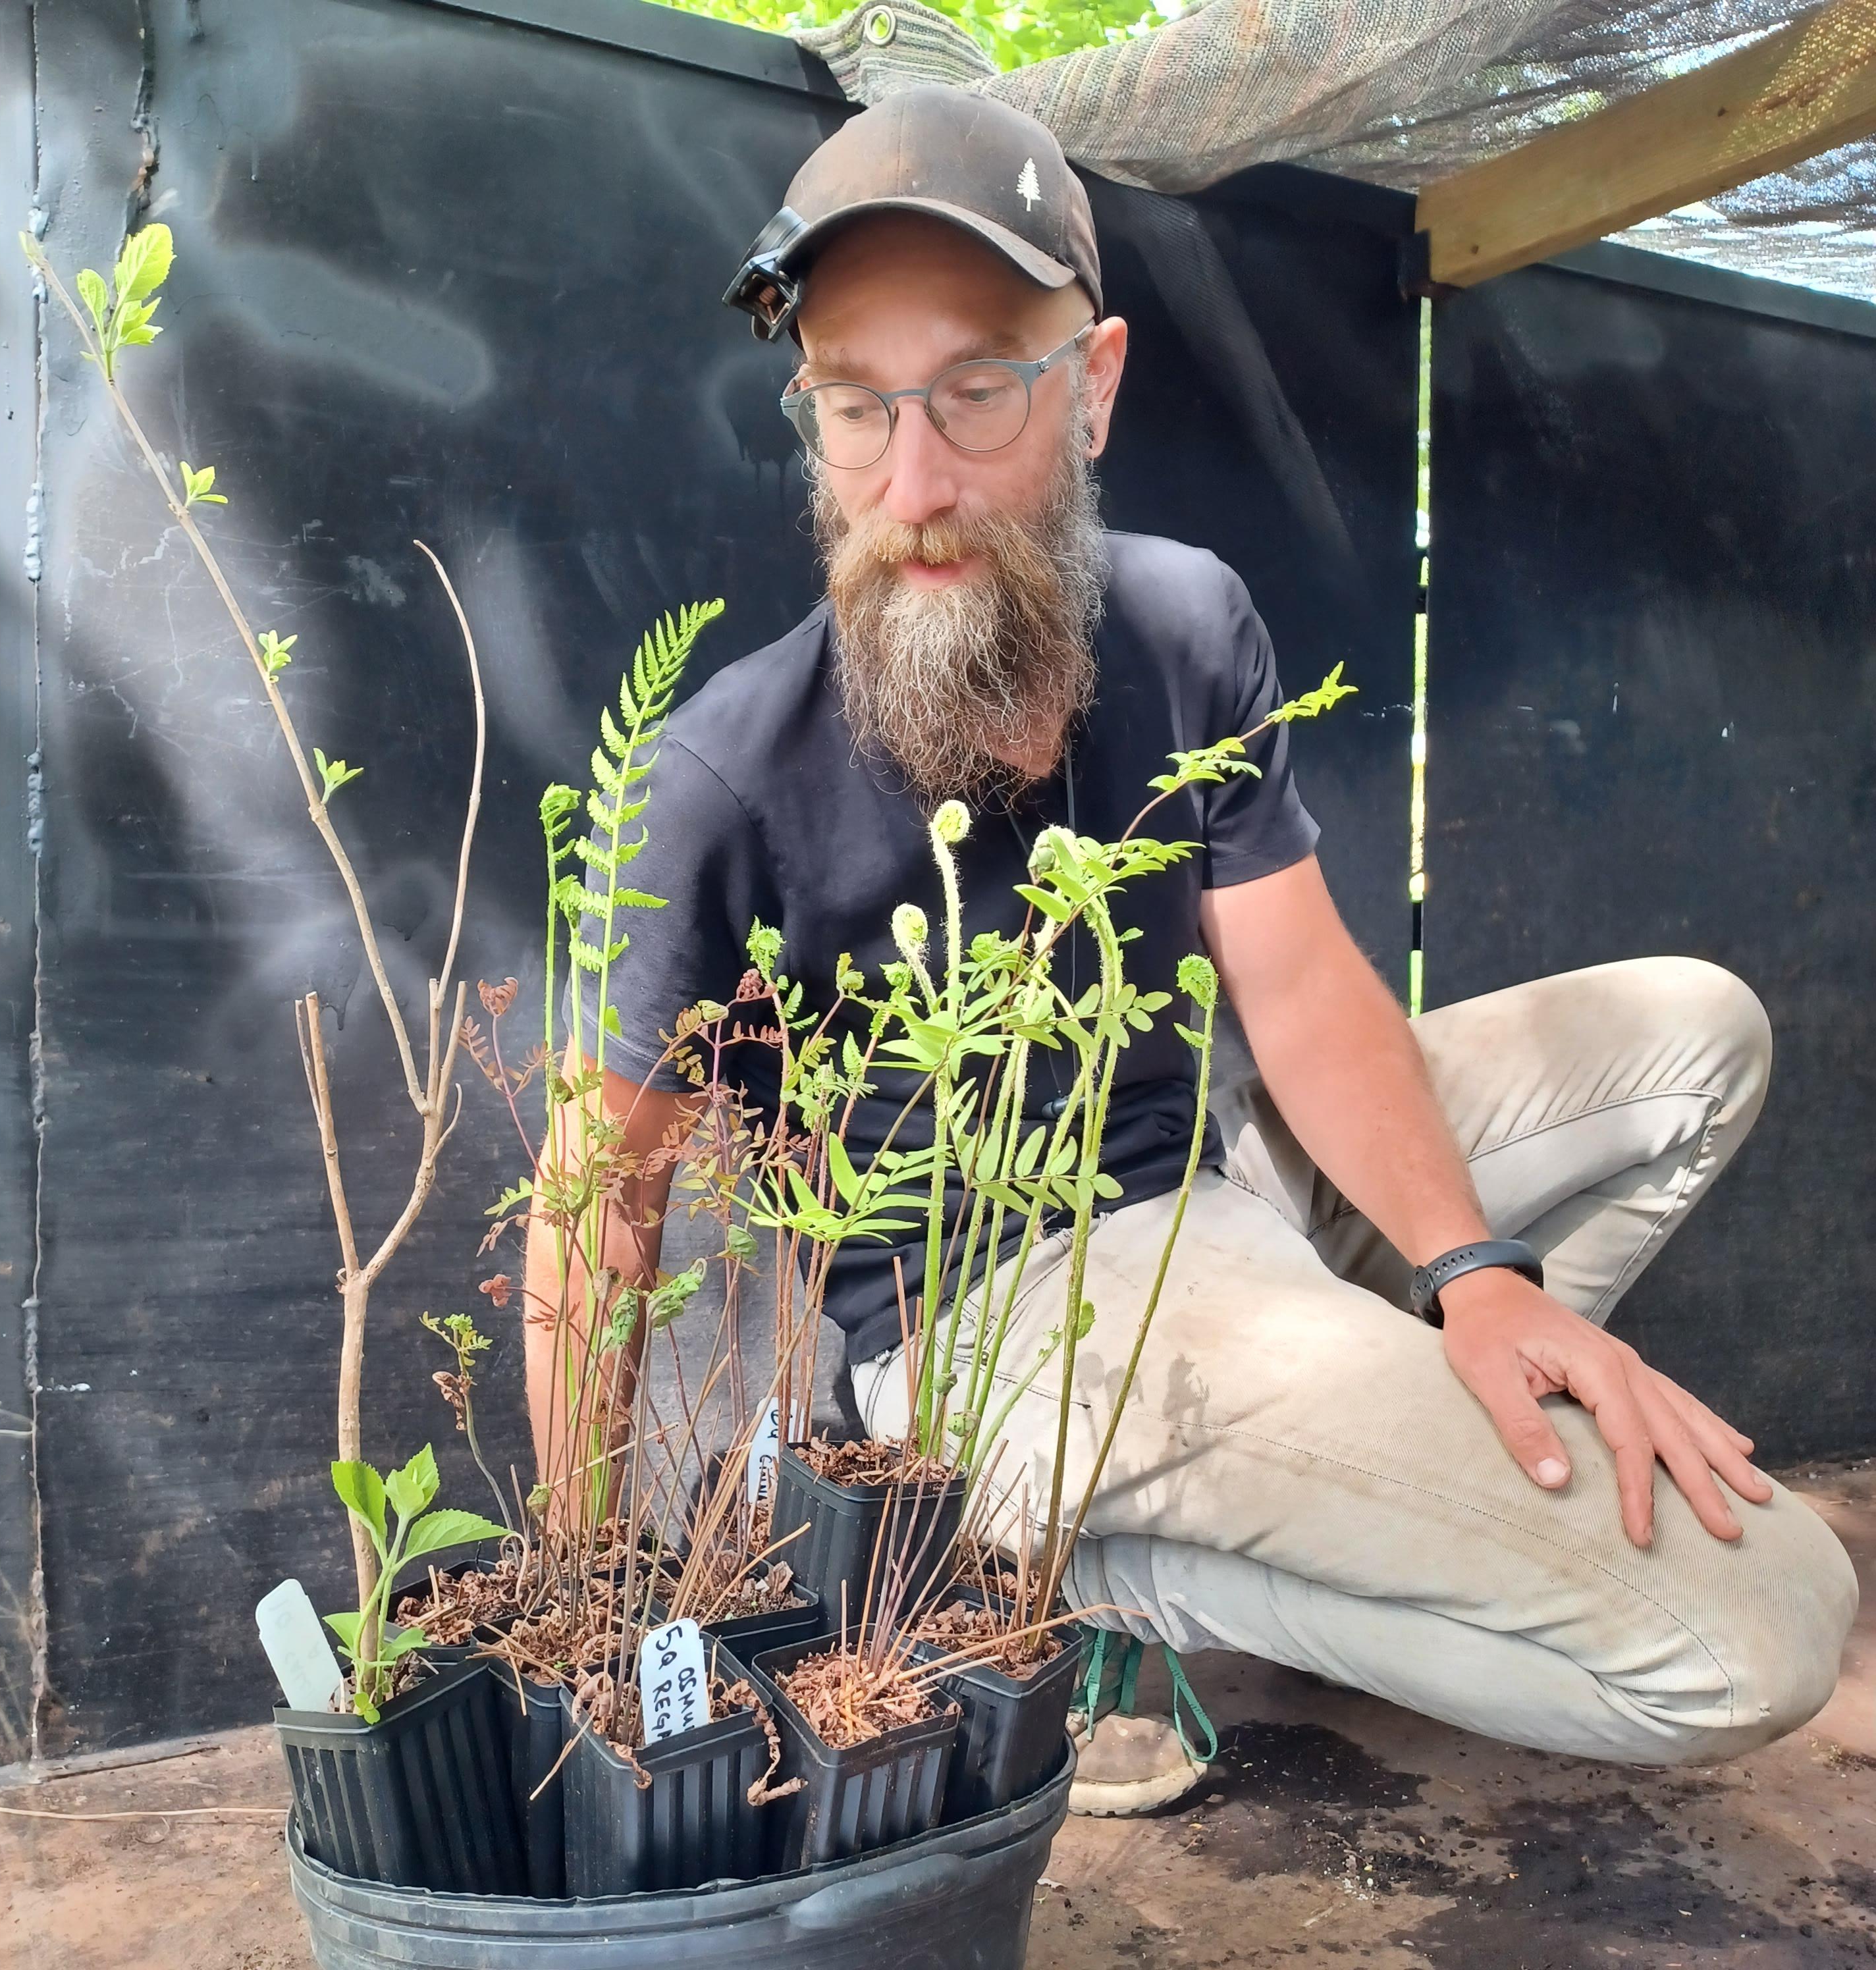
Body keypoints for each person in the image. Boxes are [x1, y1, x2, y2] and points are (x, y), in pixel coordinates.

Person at [525, 86, 1856, 1817]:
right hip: (1000, 1320)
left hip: (1226, 1179)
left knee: (1697, 1031)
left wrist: (1478, 1278)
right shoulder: (722, 777)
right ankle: (1081, 1594)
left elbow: (1298, 990)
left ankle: (1433, 1481)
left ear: (1090, 387)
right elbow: (593, 1202)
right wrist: (581, 1592)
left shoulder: (1182, 623)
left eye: (978, 389)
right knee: (1765, 1632)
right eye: (858, 409)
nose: (913, 483)